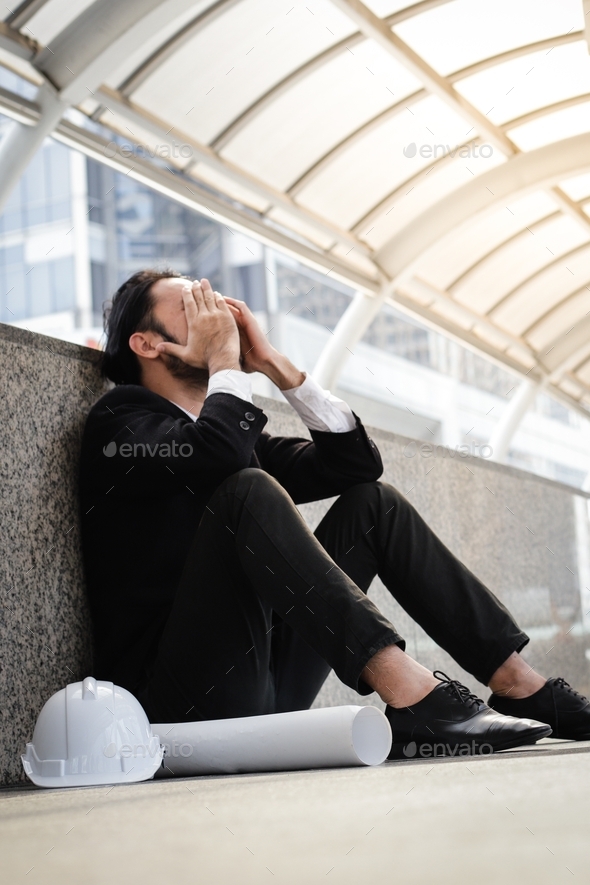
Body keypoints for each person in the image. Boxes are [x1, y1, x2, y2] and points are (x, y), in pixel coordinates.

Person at [79, 270, 590, 759]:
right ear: (147, 344)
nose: (218, 313)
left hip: (270, 687)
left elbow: (354, 465)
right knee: (246, 489)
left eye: (215, 300)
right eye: (195, 304)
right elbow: (215, 454)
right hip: (181, 704)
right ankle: (413, 693)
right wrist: (224, 365)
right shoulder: (119, 422)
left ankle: (520, 684)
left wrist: (275, 365)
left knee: (375, 503)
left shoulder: (233, 440)